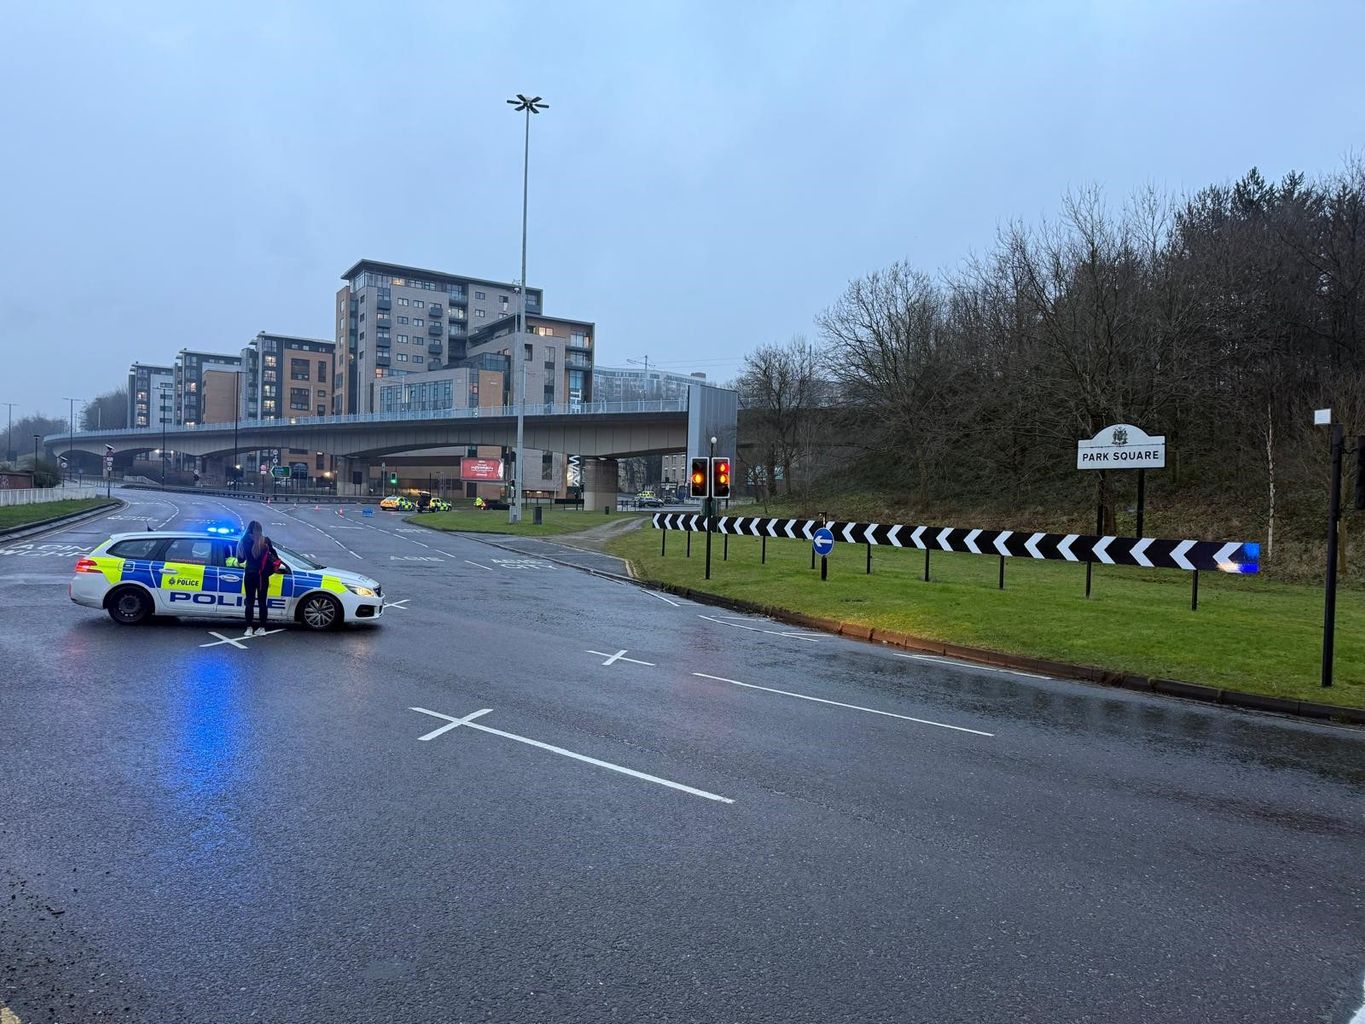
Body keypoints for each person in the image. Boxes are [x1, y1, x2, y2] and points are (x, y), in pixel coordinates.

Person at [236, 520, 278, 636]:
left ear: (248, 529)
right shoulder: (266, 541)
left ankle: (249, 628)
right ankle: (262, 628)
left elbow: (240, 559)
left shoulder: (244, 540)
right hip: (262, 576)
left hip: (249, 575)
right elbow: (275, 557)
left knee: (249, 601)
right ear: (260, 530)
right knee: (262, 602)